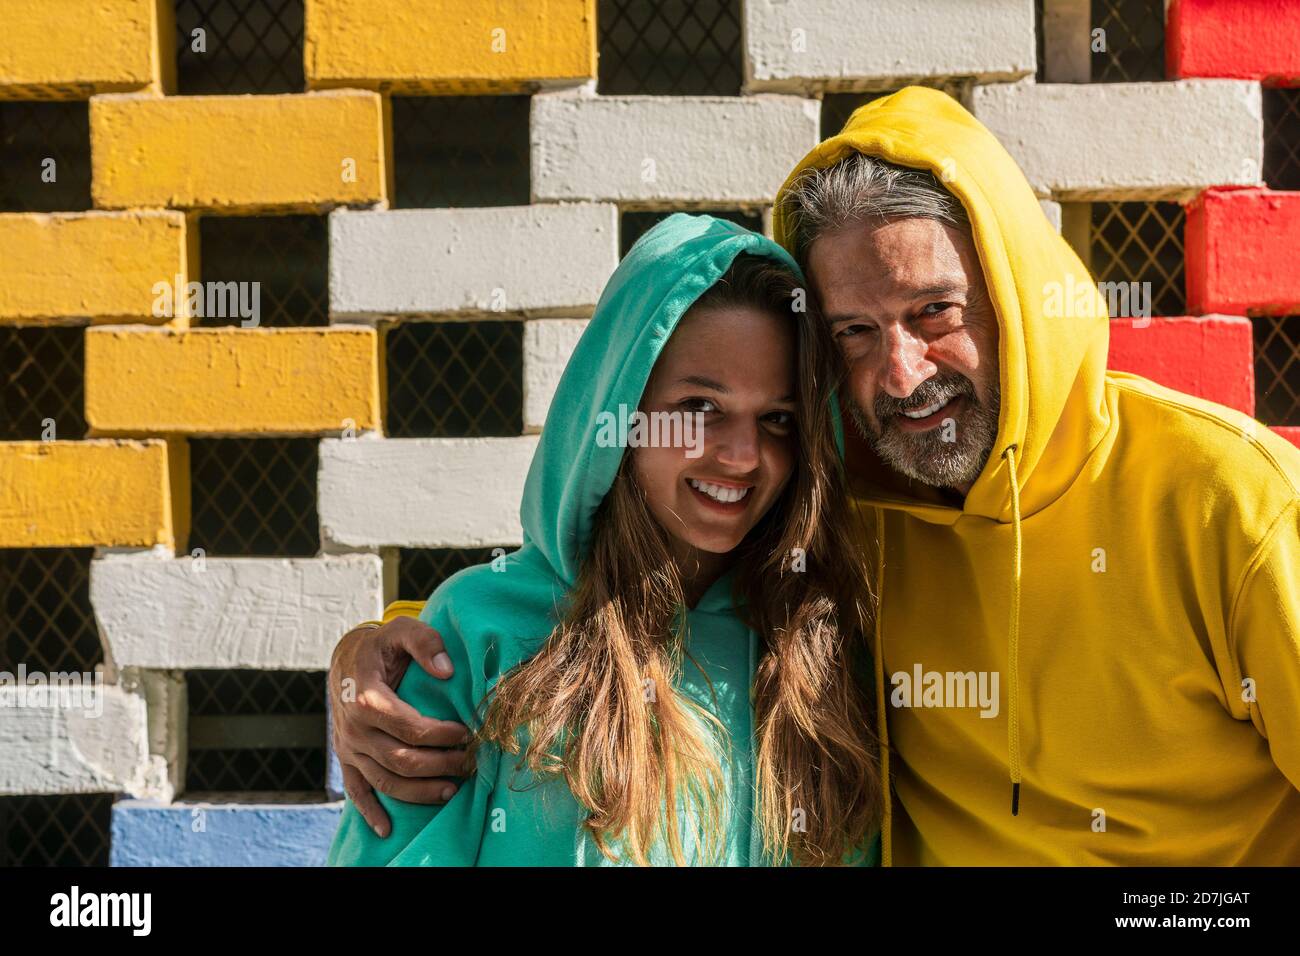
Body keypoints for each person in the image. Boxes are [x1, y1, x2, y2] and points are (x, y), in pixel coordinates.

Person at [331, 87, 1300, 865]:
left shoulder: (1228, 504)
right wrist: (385, 653)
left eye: (933, 311)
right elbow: (570, 615)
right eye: (852, 332)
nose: (900, 374)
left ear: (1012, 291)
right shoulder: (852, 529)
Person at [327, 214, 881, 866]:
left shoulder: (823, 652)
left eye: (777, 419)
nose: (741, 456)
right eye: (698, 409)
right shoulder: (481, 632)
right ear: (619, 414)